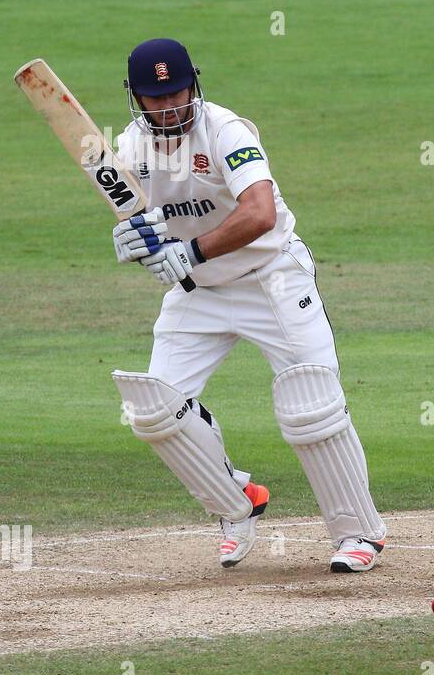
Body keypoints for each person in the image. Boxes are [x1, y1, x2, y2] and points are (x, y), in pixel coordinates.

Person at [110, 38, 388, 571]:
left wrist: (187, 252)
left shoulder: (226, 131)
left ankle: (360, 534)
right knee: (153, 409)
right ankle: (237, 503)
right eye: (155, 97)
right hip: (201, 292)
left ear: (194, 84)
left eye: (177, 92)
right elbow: (140, 219)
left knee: (312, 406)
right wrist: (133, 241)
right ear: (136, 98)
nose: (168, 105)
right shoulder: (128, 148)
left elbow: (259, 213)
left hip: (272, 278)